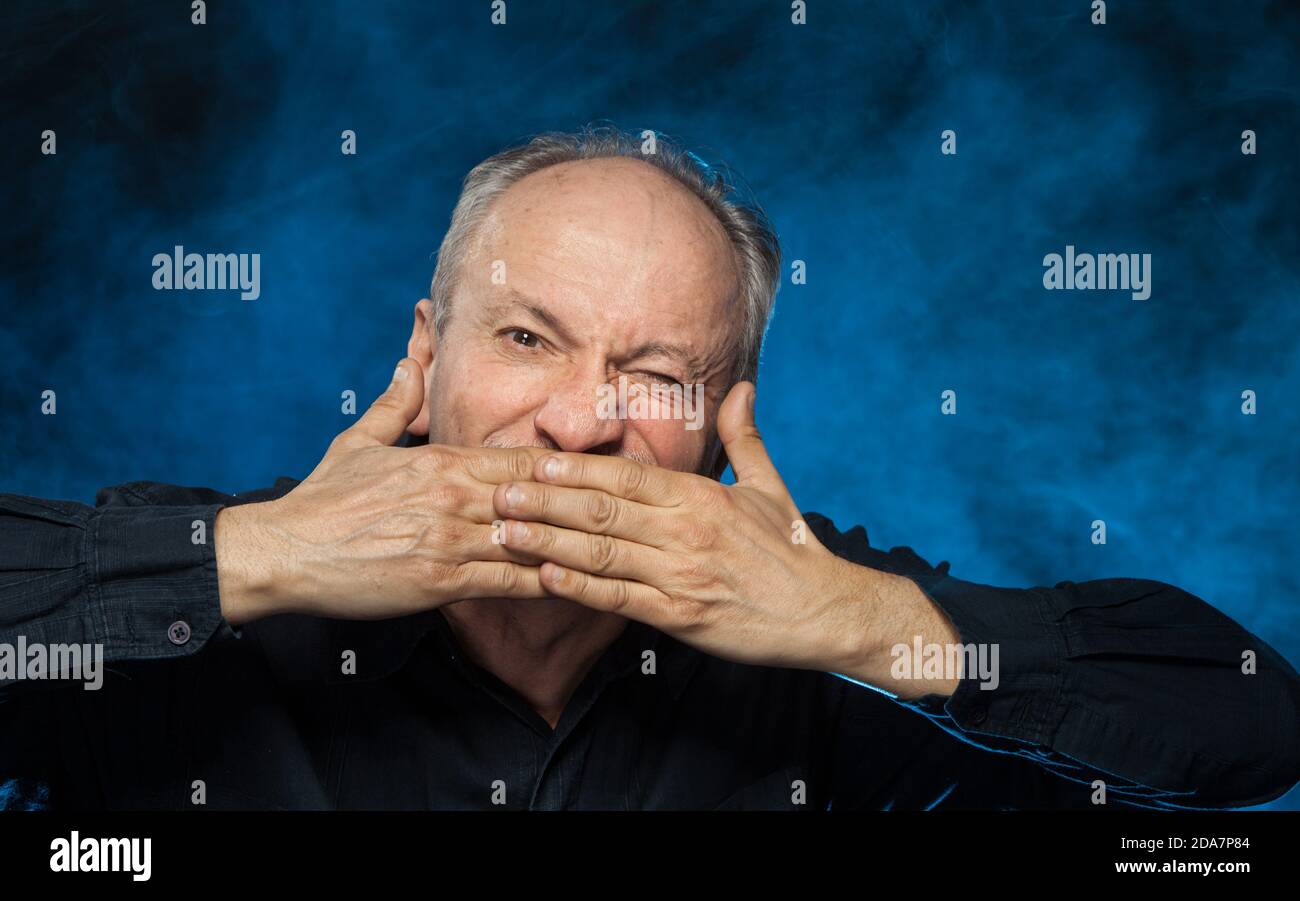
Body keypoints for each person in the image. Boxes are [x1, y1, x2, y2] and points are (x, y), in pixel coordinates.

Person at [2, 127, 1297, 810]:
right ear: (426, 351)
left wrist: (868, 621)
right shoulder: (217, 608)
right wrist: (257, 554)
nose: (579, 424)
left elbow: (1250, 726)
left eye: (657, 374)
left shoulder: (807, 635)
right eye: (526, 338)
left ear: (727, 419)